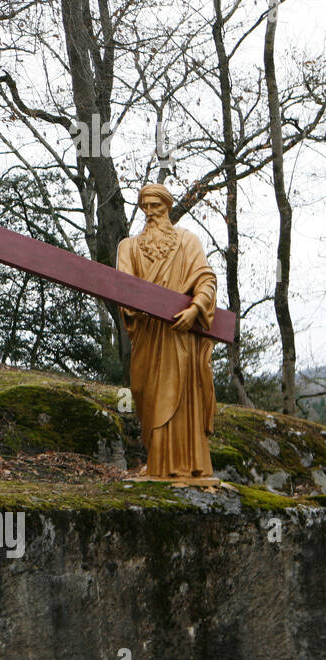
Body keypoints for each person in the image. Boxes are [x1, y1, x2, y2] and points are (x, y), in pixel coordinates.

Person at [117, 184, 218, 479]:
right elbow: (124, 288)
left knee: (178, 398)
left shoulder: (188, 242)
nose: (149, 212)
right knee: (145, 394)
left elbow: (206, 279)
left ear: (167, 207)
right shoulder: (129, 247)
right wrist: (133, 308)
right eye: (144, 207)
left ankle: (184, 466)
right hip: (147, 336)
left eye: (155, 207)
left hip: (179, 336)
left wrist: (196, 308)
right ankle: (158, 461)